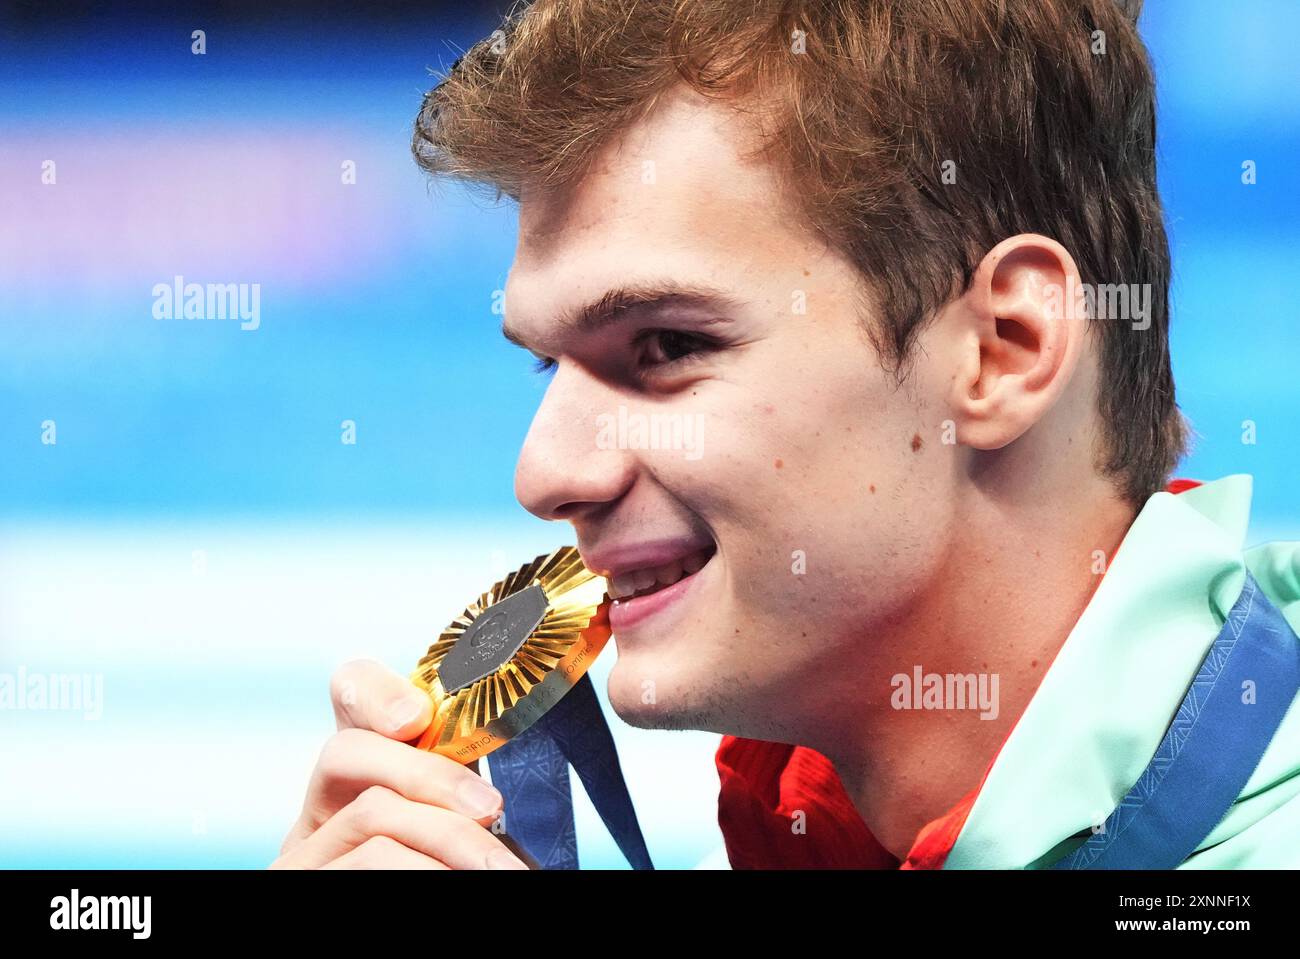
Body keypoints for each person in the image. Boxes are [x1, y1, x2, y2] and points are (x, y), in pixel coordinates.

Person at [272, 0, 1300, 870]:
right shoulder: (810, 820)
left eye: (666, 344)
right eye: (550, 363)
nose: (543, 473)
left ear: (1003, 348)